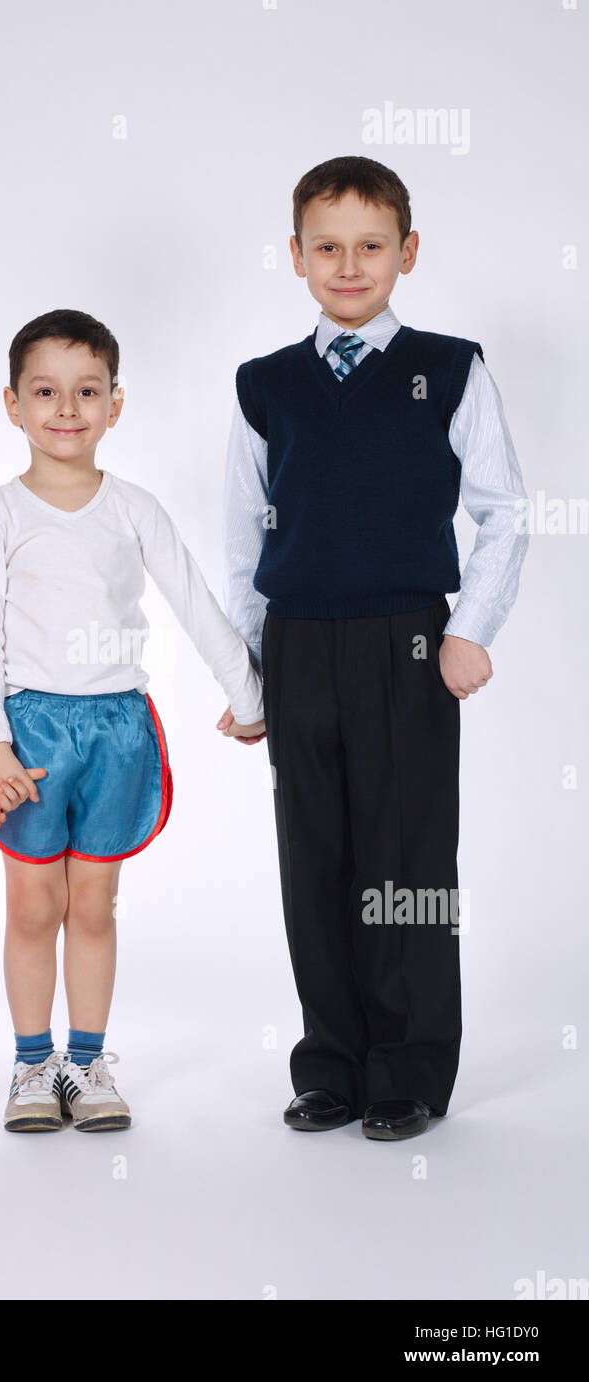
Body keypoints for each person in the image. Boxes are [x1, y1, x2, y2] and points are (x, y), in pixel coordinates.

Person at [220, 155, 529, 1140]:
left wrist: (466, 629)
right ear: (295, 255)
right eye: (326, 247)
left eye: (368, 245)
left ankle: (404, 1068)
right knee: (314, 854)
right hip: (297, 641)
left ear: (405, 250)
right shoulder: (263, 385)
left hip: (407, 641)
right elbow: (240, 536)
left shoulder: (447, 367)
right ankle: (332, 1064)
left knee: (401, 855)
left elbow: (502, 510)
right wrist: (248, 671)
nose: (346, 265)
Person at [0, 309, 265, 1133]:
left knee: (92, 905)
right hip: (28, 737)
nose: (66, 408)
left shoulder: (133, 507)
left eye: (86, 391)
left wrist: (249, 694)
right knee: (32, 906)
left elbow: (194, 600)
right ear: (12, 403)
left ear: (114, 405)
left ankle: (87, 1064)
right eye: (46, 391)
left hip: (117, 729)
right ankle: (32, 1066)